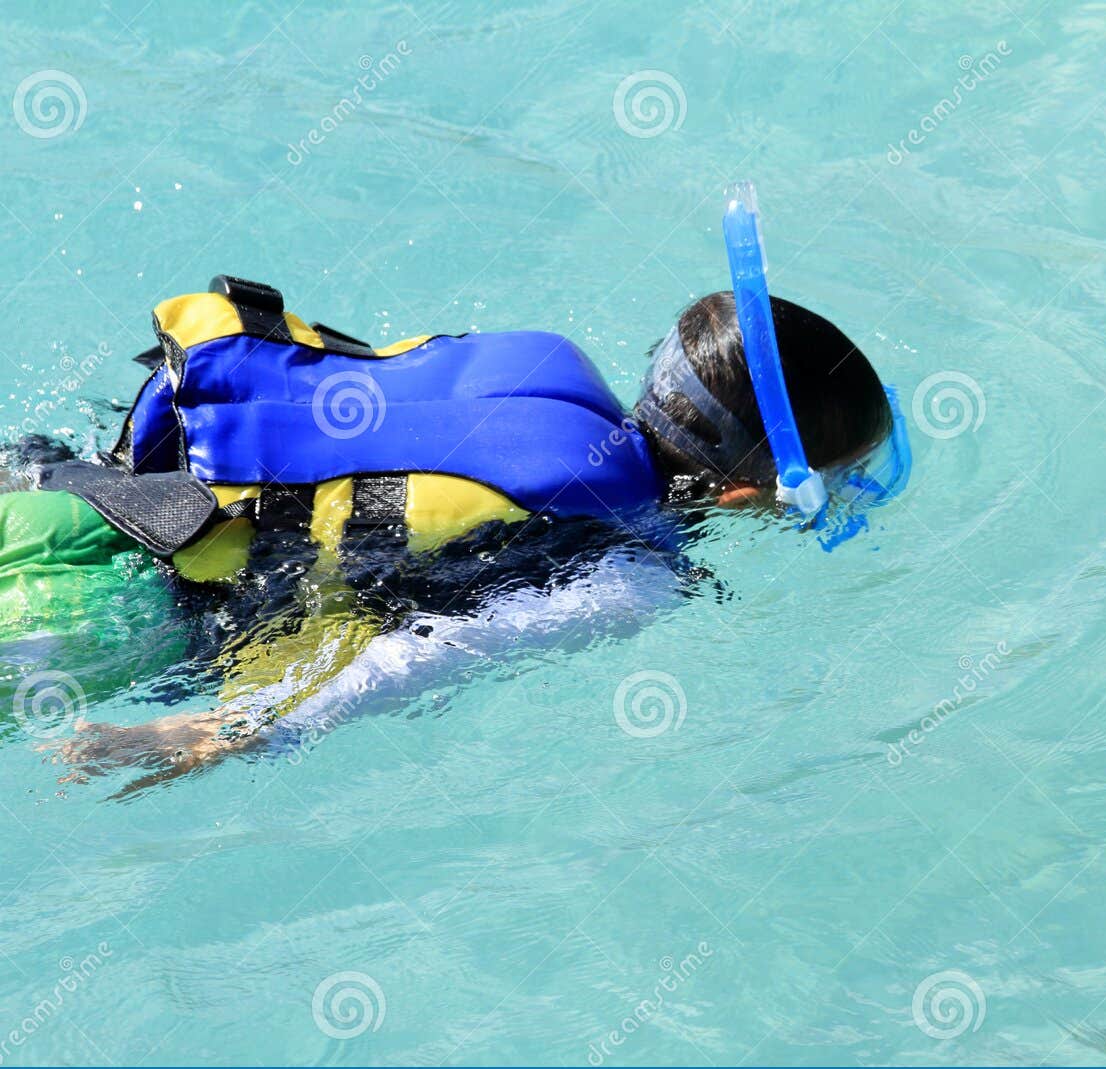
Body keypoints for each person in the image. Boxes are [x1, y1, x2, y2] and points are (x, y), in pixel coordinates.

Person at [15, 191, 909, 789]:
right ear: (751, 494)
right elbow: (429, 653)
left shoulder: (547, 360)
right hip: (108, 617)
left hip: (78, 488)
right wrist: (238, 727)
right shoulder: (637, 573)